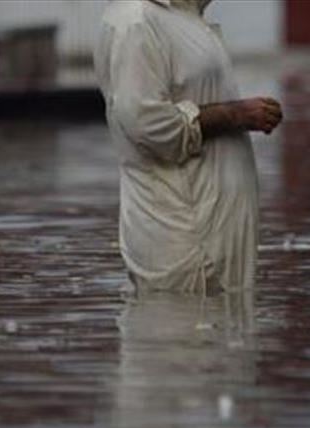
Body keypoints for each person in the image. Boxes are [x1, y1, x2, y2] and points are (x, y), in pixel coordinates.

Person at [94, 0, 282, 296]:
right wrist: (236, 114)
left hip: (212, 243)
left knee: (221, 331)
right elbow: (146, 126)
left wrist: (239, 117)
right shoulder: (136, 20)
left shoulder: (185, 16)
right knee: (178, 333)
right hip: (183, 241)